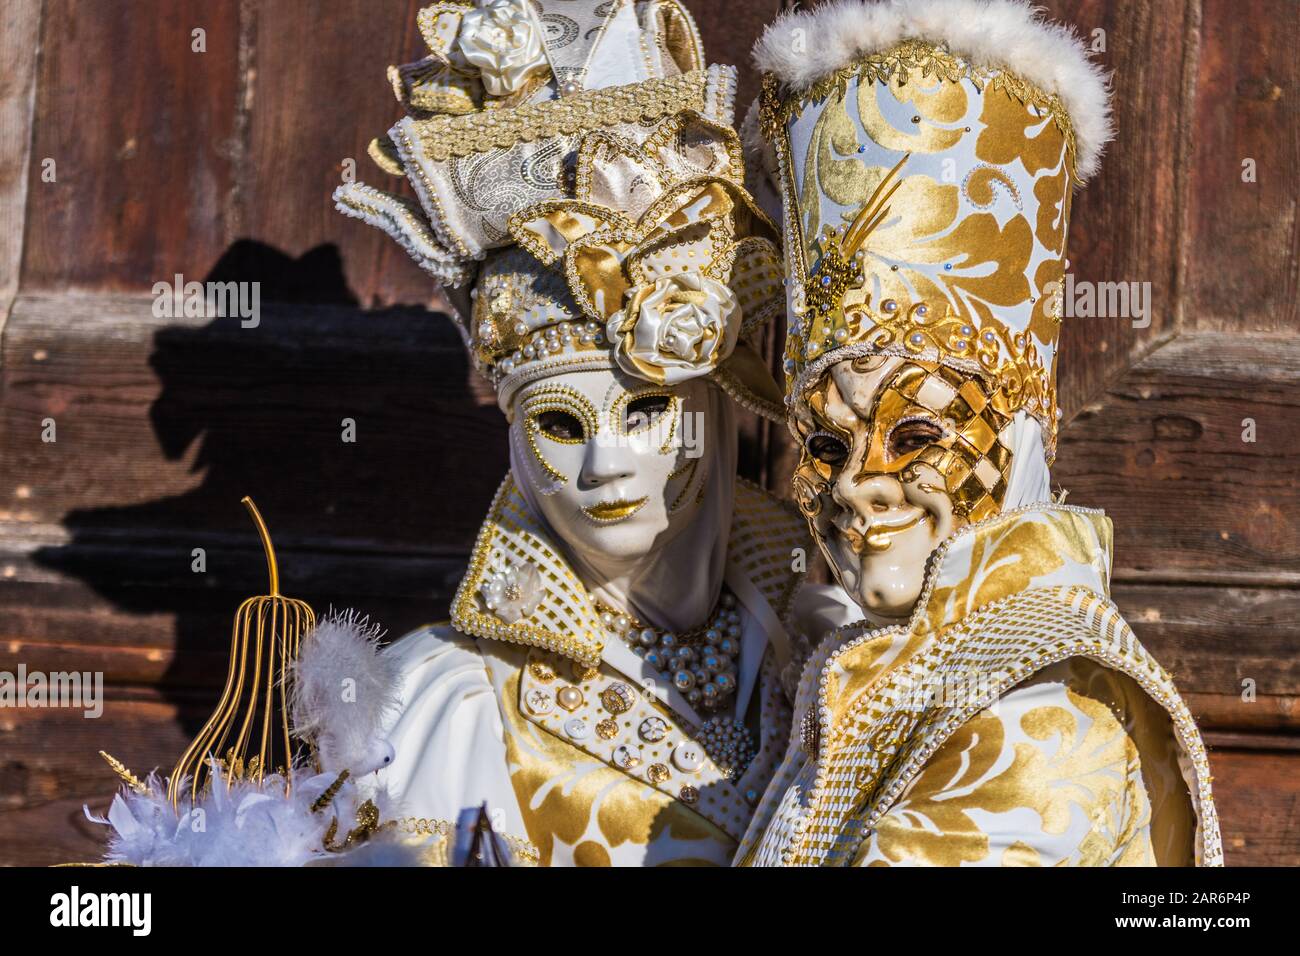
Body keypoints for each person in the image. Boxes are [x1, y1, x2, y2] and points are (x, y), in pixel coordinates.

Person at [335, 0, 840, 865]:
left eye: (645, 410)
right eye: (562, 425)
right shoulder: (456, 703)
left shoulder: (819, 641)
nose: (608, 465)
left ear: (712, 414)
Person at [735, 0, 1221, 867]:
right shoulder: (882, 678)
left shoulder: (1029, 726)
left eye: (916, 433)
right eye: (827, 446)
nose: (855, 487)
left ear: (1022, 436)